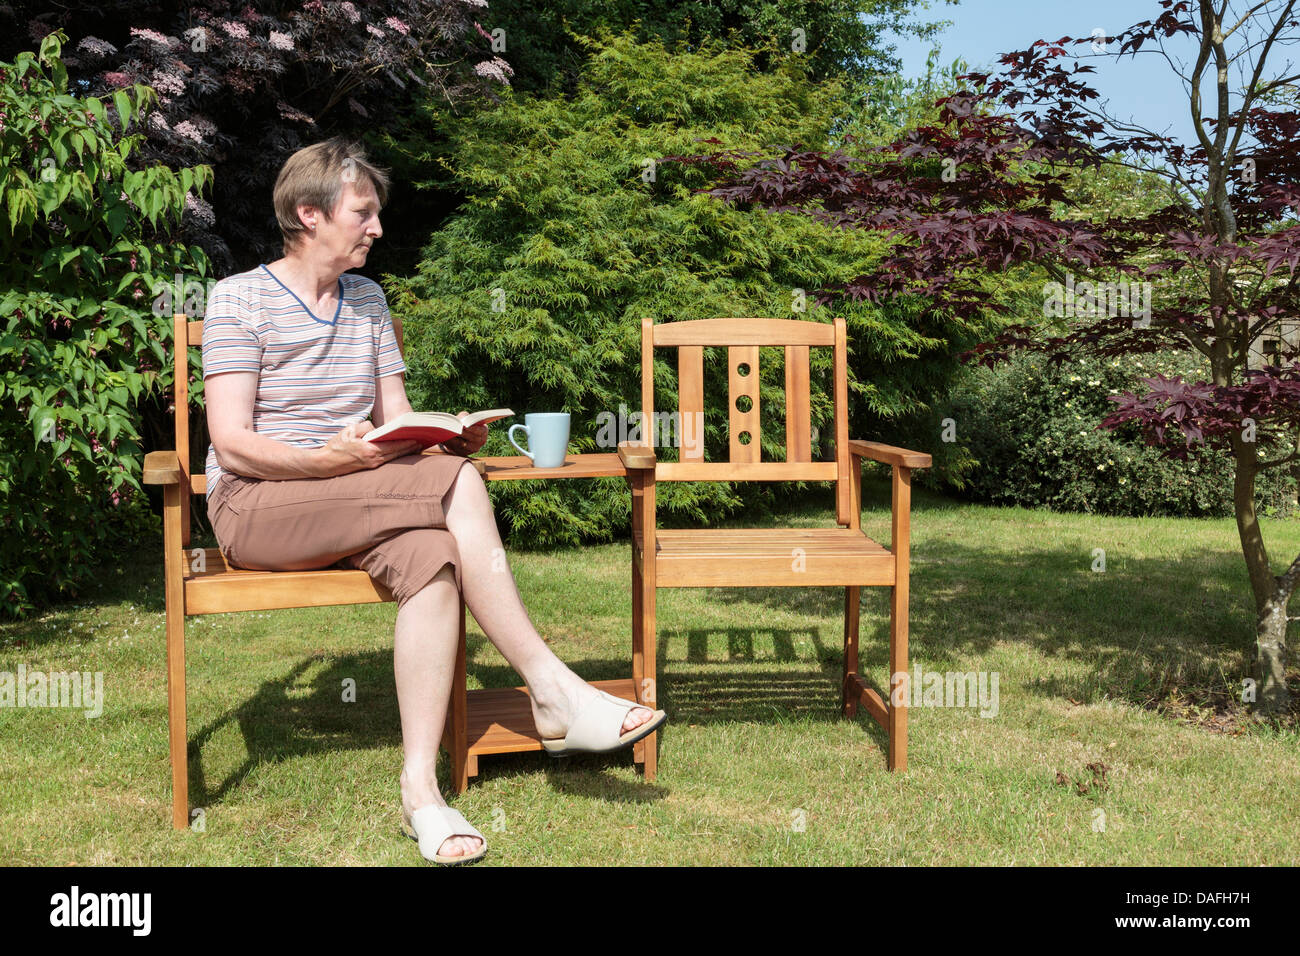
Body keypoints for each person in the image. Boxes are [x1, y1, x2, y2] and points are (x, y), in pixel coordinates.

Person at [202, 137, 666, 865]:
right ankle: (553, 691)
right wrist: (325, 460)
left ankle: (421, 790)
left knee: (433, 555)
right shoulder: (239, 298)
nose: (377, 228)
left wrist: (444, 440)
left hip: (353, 491)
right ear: (308, 214)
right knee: (457, 489)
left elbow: (395, 419)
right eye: (363, 213)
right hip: (260, 504)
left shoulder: (369, 300)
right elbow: (230, 444)